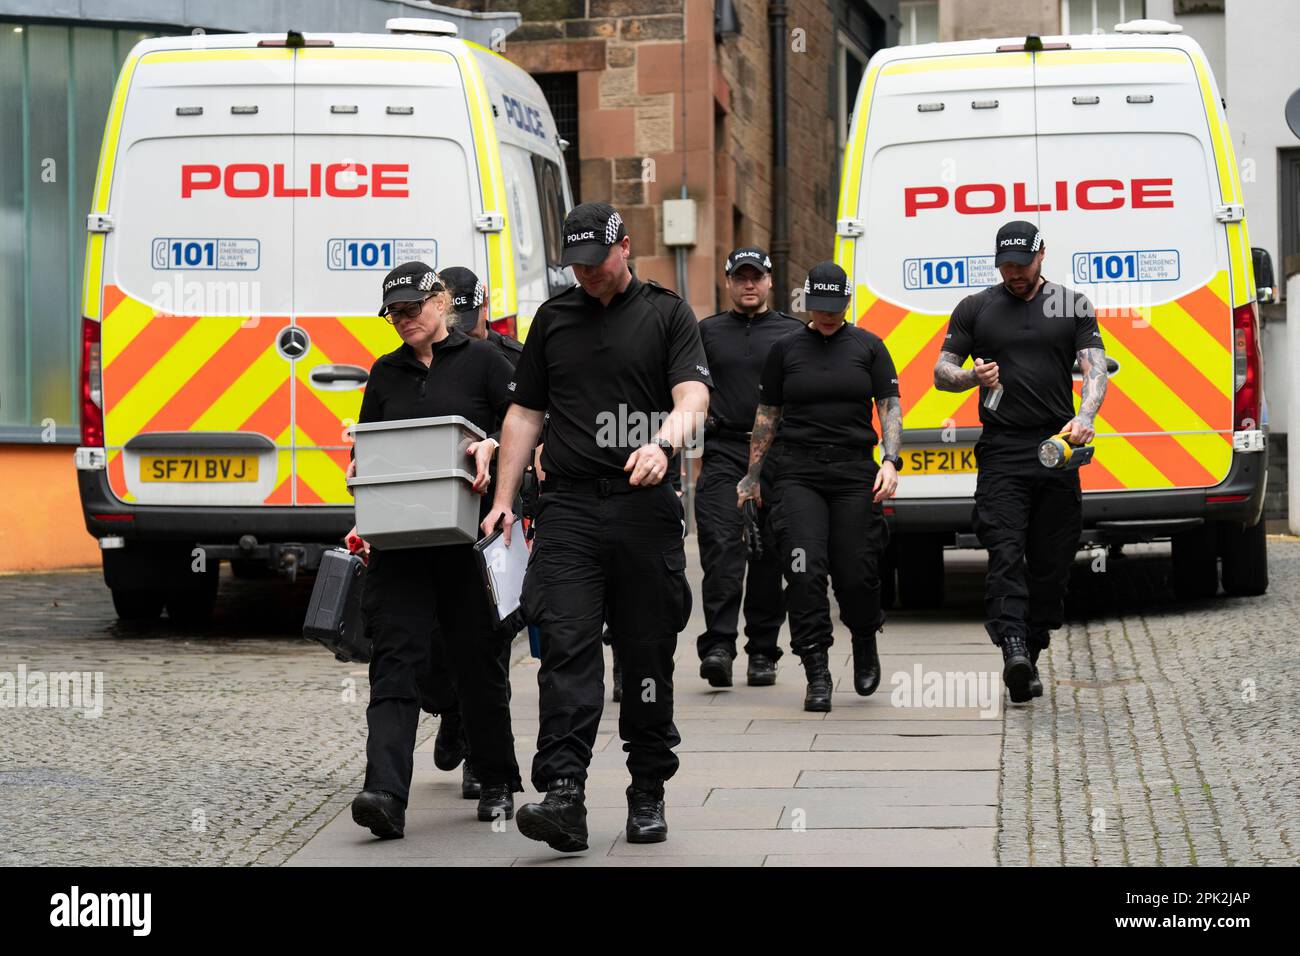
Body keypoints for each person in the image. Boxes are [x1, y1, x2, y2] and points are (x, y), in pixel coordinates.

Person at [480, 201, 711, 852]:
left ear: (626, 247)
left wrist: (663, 445)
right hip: (570, 510)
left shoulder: (667, 314)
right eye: (575, 265)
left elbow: (693, 400)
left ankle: (647, 790)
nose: (586, 275)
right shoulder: (554, 319)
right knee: (566, 652)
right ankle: (563, 794)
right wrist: (503, 500)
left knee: (644, 655)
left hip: (644, 509)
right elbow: (525, 415)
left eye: (596, 262)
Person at [345, 260, 524, 839]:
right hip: (399, 542)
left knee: (477, 658)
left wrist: (492, 446)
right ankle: (385, 793)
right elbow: (368, 452)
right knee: (394, 660)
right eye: (393, 312)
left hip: (466, 541)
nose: (401, 320)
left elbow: (521, 432)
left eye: (411, 308)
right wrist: (359, 512)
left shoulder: (485, 364)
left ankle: (496, 778)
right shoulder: (384, 373)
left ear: (441, 301)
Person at [933, 220, 1107, 703]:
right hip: (1003, 449)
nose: (1013, 273)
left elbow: (1095, 366)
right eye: (1005, 265)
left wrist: (1085, 415)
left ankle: (1032, 646)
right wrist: (970, 377)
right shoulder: (977, 308)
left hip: (1056, 448)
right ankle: (1012, 647)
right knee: (1005, 550)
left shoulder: (1071, 304)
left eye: (1021, 263)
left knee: (1051, 562)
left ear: (1041, 255)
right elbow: (940, 372)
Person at [738, 261, 902, 713]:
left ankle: (865, 636)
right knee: (804, 571)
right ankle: (817, 669)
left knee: (856, 573)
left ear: (847, 303)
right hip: (796, 474)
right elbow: (766, 416)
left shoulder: (869, 347)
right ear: (807, 302)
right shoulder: (786, 349)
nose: (827, 316)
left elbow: (889, 407)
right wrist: (752, 476)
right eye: (819, 307)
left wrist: (890, 460)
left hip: (853, 472)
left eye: (836, 307)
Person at [420, 266, 524, 801]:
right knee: (441, 641)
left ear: (484, 308)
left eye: (467, 314)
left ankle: (483, 765)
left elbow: (534, 428)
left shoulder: (511, 359)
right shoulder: (429, 363)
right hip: (441, 521)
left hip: (499, 519)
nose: (458, 324)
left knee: (492, 639)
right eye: (451, 314)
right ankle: (450, 709)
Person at [695, 247, 802, 688]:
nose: (749, 284)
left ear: (770, 280)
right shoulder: (705, 333)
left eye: (756, 276)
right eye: (741, 277)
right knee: (721, 547)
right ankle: (719, 646)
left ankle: (763, 651)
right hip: (722, 450)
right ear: (728, 282)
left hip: (777, 455)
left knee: (769, 554)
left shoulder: (793, 332)